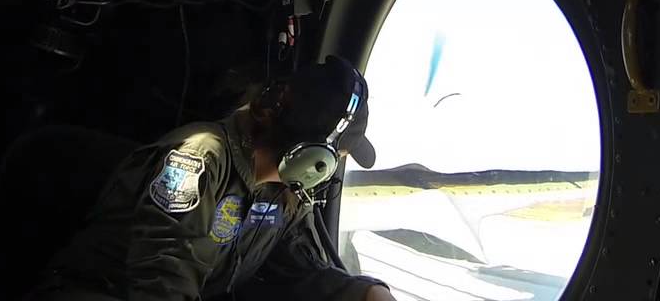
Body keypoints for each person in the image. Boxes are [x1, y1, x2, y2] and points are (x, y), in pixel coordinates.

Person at [30, 56, 397, 301]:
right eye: (333, 163)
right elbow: (163, 278)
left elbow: (300, 270)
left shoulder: (281, 199)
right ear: (313, 159)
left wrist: (365, 293)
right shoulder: (199, 158)